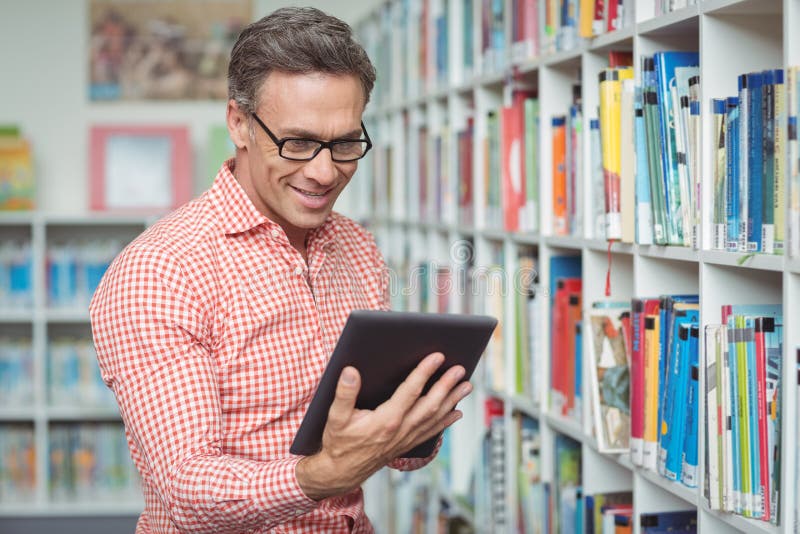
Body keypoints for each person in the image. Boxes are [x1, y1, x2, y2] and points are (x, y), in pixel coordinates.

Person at [89, 7, 472, 533]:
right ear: (239, 123)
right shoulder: (160, 271)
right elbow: (187, 491)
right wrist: (324, 474)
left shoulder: (357, 245)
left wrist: (416, 424)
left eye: (344, 143)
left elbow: (393, 453)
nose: (324, 172)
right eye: (298, 143)